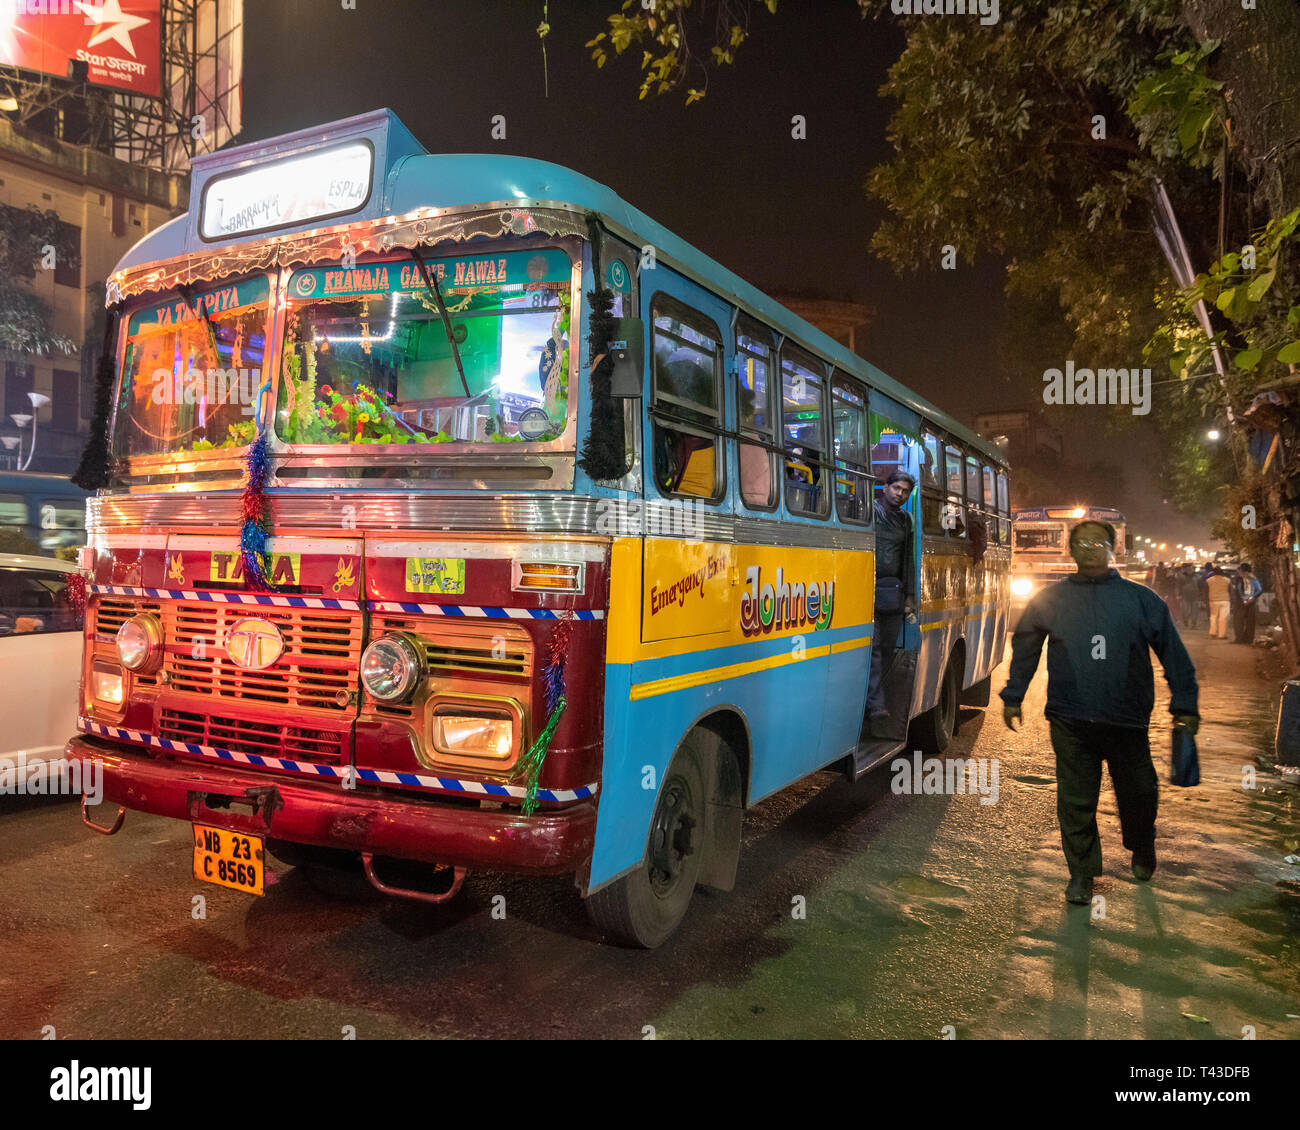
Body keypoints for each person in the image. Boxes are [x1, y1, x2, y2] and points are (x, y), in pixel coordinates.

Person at [1000, 520, 1199, 906]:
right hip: (1069, 718)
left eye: (1099, 542)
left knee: (1139, 793)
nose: (1090, 548)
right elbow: (1025, 647)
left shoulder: (1142, 600)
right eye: (1082, 542)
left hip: (1127, 720)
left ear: (1113, 548)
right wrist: (1013, 695)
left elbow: (1174, 655)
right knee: (1076, 800)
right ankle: (1081, 874)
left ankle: (1142, 845)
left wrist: (1185, 705)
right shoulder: (1049, 599)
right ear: (1070, 550)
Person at [866, 468, 916, 735]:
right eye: (896, 488)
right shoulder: (869, 512)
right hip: (866, 589)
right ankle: (876, 706)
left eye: (905, 491)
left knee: (886, 649)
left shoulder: (906, 521)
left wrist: (909, 595)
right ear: (885, 488)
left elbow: (908, 558)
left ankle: (871, 699)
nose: (900, 494)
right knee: (873, 648)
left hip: (893, 593)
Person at [1233, 563, 1262, 644]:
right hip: (1244, 602)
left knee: (1241, 622)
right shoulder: (1243, 579)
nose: (1239, 573)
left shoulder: (1252, 579)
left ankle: (1244, 639)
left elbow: (1259, 590)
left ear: (1245, 571)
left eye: (1240, 571)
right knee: (1245, 622)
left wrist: (1252, 598)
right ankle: (1244, 639)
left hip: (1246, 603)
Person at [1206, 565, 1231, 638]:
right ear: (1222, 573)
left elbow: (1206, 590)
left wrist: (1205, 599)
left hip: (1213, 600)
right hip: (1225, 600)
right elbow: (1230, 590)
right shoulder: (1227, 580)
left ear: (1214, 572)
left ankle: (1213, 632)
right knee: (1223, 618)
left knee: (1213, 616)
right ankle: (1221, 634)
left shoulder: (1209, 580)